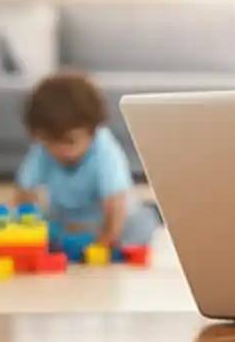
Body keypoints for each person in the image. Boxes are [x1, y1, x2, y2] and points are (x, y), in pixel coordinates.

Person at [14, 71, 162, 248]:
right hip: (67, 218)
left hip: (112, 218)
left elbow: (114, 204)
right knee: (47, 225)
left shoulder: (104, 151)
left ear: (92, 132)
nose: (59, 151)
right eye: (48, 141)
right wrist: (27, 228)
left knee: (139, 227)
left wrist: (103, 244)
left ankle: (151, 210)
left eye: (69, 141)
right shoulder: (42, 150)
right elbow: (25, 192)